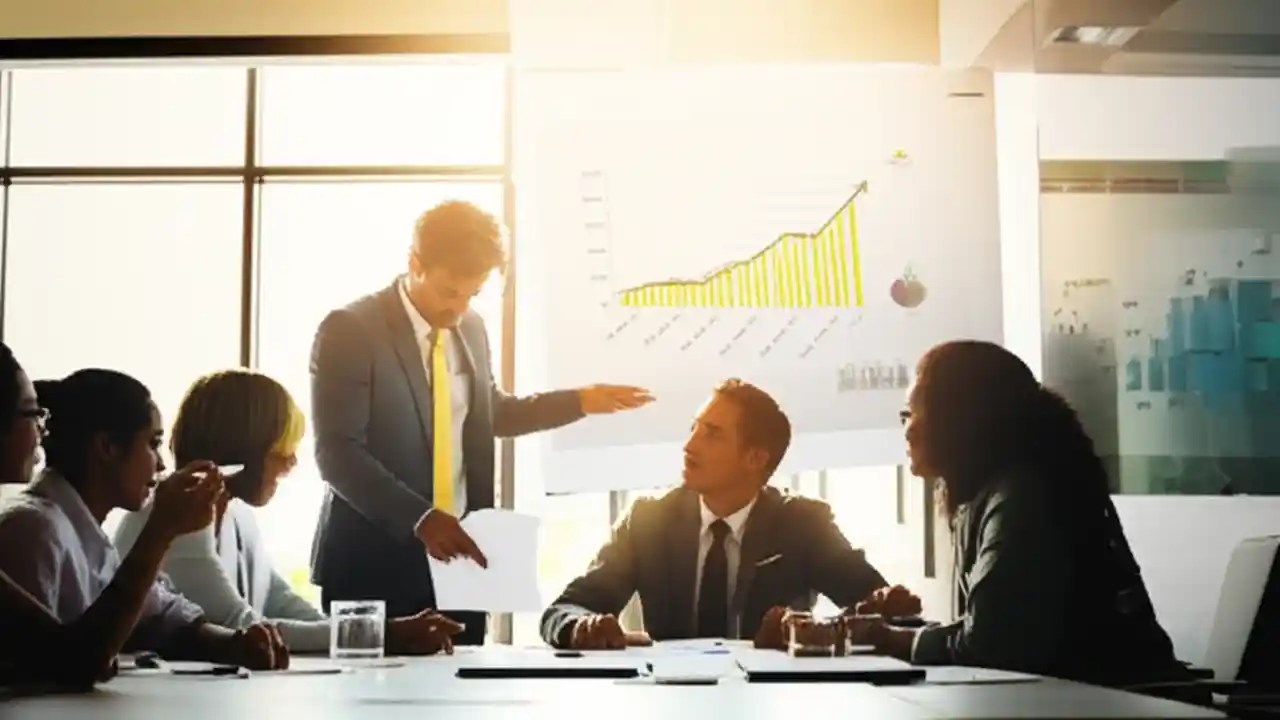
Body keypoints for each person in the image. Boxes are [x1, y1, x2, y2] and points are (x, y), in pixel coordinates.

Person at [310, 200, 653, 645]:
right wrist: (422, 519)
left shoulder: (470, 327)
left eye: (472, 294)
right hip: (373, 566)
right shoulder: (351, 330)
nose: (459, 308)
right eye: (450, 292)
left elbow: (494, 412)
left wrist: (580, 401)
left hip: (460, 567)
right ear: (415, 264)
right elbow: (337, 452)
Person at [867, 340, 1186, 686]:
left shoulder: (1023, 497)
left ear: (956, 418)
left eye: (910, 414)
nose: (907, 429)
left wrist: (888, 639)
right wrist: (902, 631)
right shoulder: (996, 489)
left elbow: (991, 646)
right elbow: (992, 630)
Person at [541, 378, 912, 650]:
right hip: (672, 704)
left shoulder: (802, 524)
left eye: (712, 434)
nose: (688, 446)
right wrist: (579, 627)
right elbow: (564, 609)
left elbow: (879, 615)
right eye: (694, 429)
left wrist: (807, 630)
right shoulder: (648, 521)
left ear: (755, 459)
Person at [114, 370, 463, 655]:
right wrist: (381, 636)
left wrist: (367, 633)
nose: (291, 462)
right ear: (245, 446)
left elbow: (280, 602)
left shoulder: (237, 516)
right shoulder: (173, 516)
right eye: (281, 450)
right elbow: (242, 624)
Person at [0, 368, 289, 672]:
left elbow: (163, 615)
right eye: (152, 444)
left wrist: (234, 644)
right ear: (107, 449)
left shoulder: (82, 529)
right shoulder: (34, 531)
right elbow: (65, 664)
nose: (162, 463)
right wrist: (160, 531)